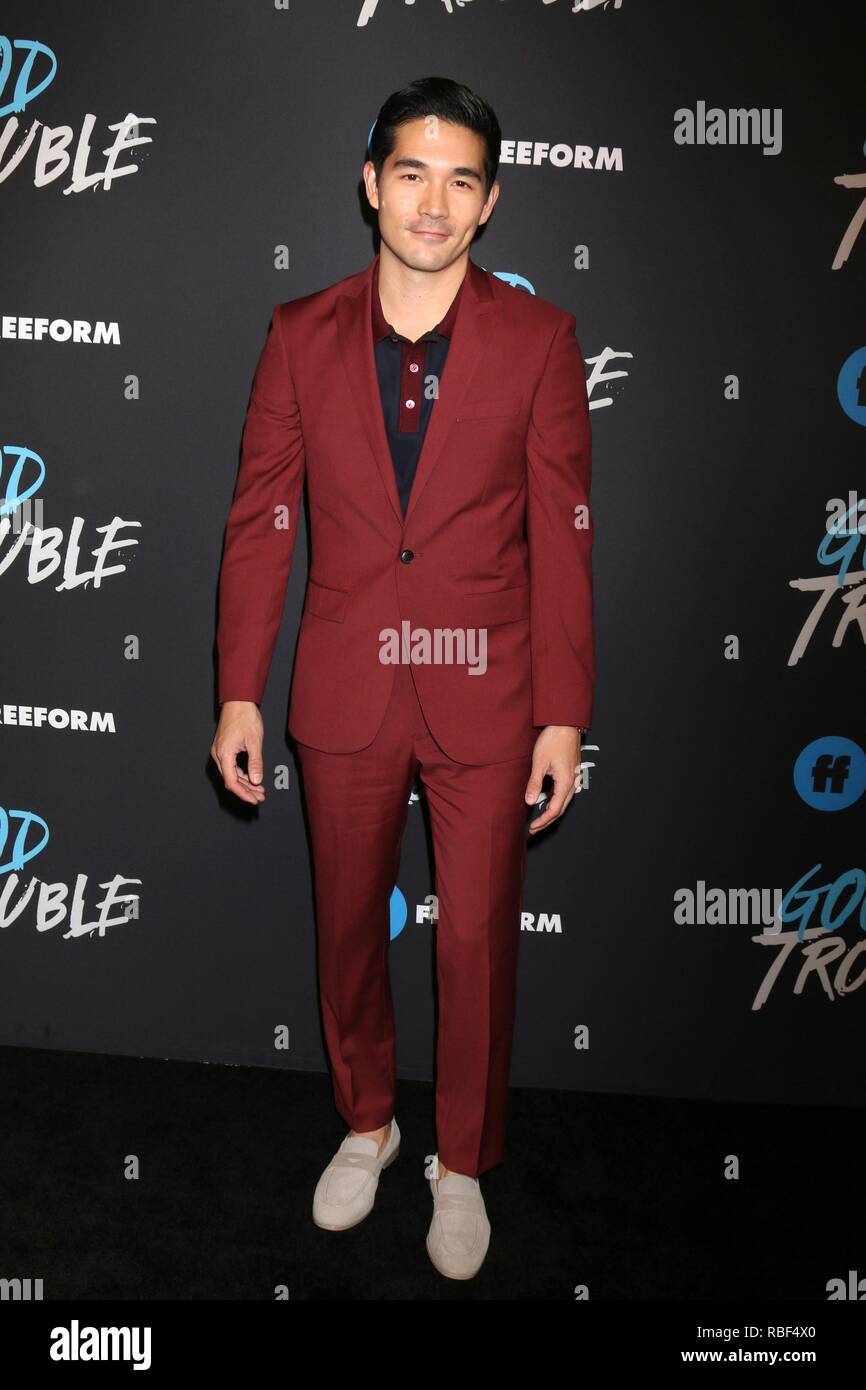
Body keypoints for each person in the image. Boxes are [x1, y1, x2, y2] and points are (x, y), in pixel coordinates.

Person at [211, 75, 595, 1281]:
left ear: (488, 205)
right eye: (412, 173)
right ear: (371, 184)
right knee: (346, 932)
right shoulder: (295, 333)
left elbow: (561, 533)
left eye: (462, 179)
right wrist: (237, 688)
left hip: (486, 687)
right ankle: (367, 1123)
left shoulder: (540, 341)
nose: (434, 201)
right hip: (343, 684)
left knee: (477, 939)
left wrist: (563, 713)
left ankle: (463, 1163)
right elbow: (262, 518)